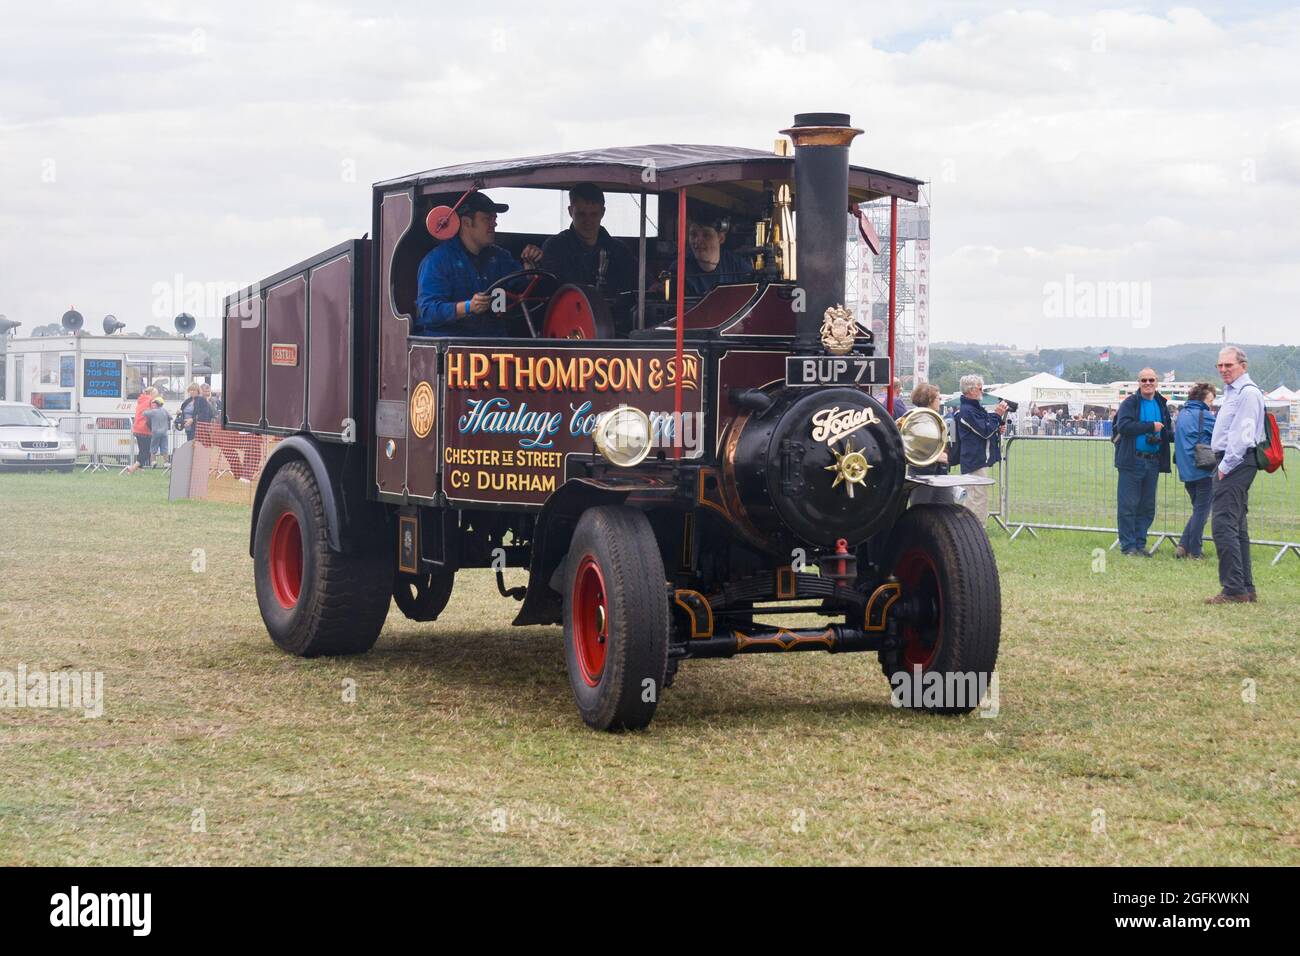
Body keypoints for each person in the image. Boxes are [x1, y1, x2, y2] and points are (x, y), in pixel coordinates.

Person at [414, 192, 542, 337]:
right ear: (466, 222)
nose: (494, 223)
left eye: (494, 218)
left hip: (494, 342)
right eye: (487, 219)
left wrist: (529, 268)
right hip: (454, 345)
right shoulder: (437, 261)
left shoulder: (500, 257)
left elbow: (520, 286)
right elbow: (427, 311)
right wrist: (468, 307)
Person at [1207, 346, 1266, 603]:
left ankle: (1233, 589)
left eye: (1228, 365)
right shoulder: (1235, 392)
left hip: (1236, 462)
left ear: (1243, 365)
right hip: (1235, 462)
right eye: (1220, 365)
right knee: (1237, 526)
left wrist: (1224, 467)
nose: (1223, 369)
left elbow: (1243, 435)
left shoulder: (1247, 393)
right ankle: (1245, 587)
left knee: (1223, 525)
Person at [540, 183, 639, 296]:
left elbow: (645, 284)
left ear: (603, 212)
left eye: (594, 214)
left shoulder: (621, 251)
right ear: (570, 211)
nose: (588, 221)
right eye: (581, 214)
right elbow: (546, 291)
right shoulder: (555, 247)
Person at [1113, 368, 1172, 556]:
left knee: (1147, 507)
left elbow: (1167, 431)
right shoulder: (1130, 403)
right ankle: (1128, 546)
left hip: (1153, 462)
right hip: (1132, 461)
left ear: (1157, 382)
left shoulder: (1161, 403)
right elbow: (1124, 426)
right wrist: (1150, 426)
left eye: (1151, 380)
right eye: (1144, 380)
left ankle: (1140, 544)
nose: (1148, 383)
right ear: (1138, 383)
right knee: (1128, 506)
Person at [953, 374, 1007, 526]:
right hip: (974, 459)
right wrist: (997, 416)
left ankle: (971, 528)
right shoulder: (967, 411)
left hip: (977, 458)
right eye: (980, 388)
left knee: (976, 495)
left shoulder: (973, 408)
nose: (982, 391)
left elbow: (987, 427)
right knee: (977, 496)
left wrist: (997, 426)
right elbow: (985, 431)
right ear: (971, 390)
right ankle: (975, 528)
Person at [1173, 383, 1217, 559]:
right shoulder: (1205, 415)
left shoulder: (1182, 413)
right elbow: (1221, 434)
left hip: (1186, 470)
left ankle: (1183, 546)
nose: (1211, 404)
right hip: (1203, 468)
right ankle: (1195, 551)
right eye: (1210, 400)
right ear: (1203, 399)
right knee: (1202, 512)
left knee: (1198, 510)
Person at [665, 211, 753, 297]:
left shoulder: (738, 265)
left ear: (721, 238)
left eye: (706, 235)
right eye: (693, 234)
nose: (697, 240)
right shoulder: (678, 269)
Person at [907, 383, 953, 506]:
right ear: (930, 399)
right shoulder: (915, 419)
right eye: (938, 398)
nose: (940, 401)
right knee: (922, 511)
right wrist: (935, 456)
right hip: (922, 474)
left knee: (946, 510)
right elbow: (911, 448)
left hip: (939, 472)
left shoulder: (934, 419)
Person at [124, 386, 158, 474]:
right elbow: (154, 413)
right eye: (155, 394)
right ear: (151, 394)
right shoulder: (151, 401)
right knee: (147, 452)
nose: (156, 396)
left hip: (137, 428)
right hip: (145, 429)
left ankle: (140, 468)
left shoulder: (141, 401)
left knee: (142, 450)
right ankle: (132, 468)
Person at [144, 397, 172, 468]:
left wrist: (148, 408)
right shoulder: (165, 411)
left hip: (155, 432)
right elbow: (170, 417)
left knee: (153, 447)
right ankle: (166, 463)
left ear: (157, 404)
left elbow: (144, 413)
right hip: (164, 432)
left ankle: (153, 462)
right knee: (164, 448)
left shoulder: (153, 411)